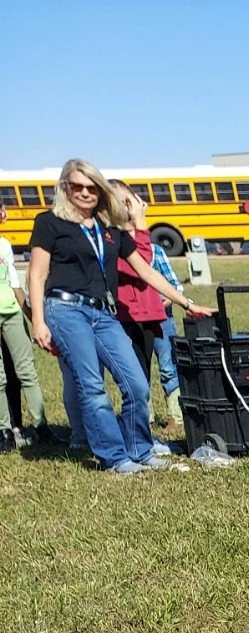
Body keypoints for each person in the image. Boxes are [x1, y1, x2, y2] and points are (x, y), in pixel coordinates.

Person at [26, 159, 210, 474]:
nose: (84, 193)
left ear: (100, 190)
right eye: (77, 187)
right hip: (66, 310)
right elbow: (37, 274)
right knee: (92, 384)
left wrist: (186, 302)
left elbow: (145, 270)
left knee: (137, 384)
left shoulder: (109, 228)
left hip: (104, 313)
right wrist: (39, 321)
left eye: (91, 187)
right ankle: (113, 457)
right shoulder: (50, 222)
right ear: (65, 188)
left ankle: (140, 449)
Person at [107, 181, 182, 430]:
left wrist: (179, 300)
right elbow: (141, 263)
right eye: (122, 202)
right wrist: (141, 225)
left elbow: (162, 275)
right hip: (127, 318)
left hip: (154, 317)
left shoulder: (149, 244)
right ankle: (141, 422)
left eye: (130, 201)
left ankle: (172, 416)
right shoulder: (113, 241)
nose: (129, 207)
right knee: (138, 375)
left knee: (166, 367)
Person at [0, 201, 50, 450]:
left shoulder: (5, 245)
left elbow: (14, 283)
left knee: (26, 370)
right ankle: (5, 431)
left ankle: (41, 426)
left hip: (11, 313)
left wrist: (33, 316)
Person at [146, 239, 185, 430]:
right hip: (135, 320)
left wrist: (170, 297)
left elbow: (175, 284)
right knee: (138, 369)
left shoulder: (156, 251)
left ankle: (176, 416)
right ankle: (146, 418)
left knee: (169, 367)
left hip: (162, 319)